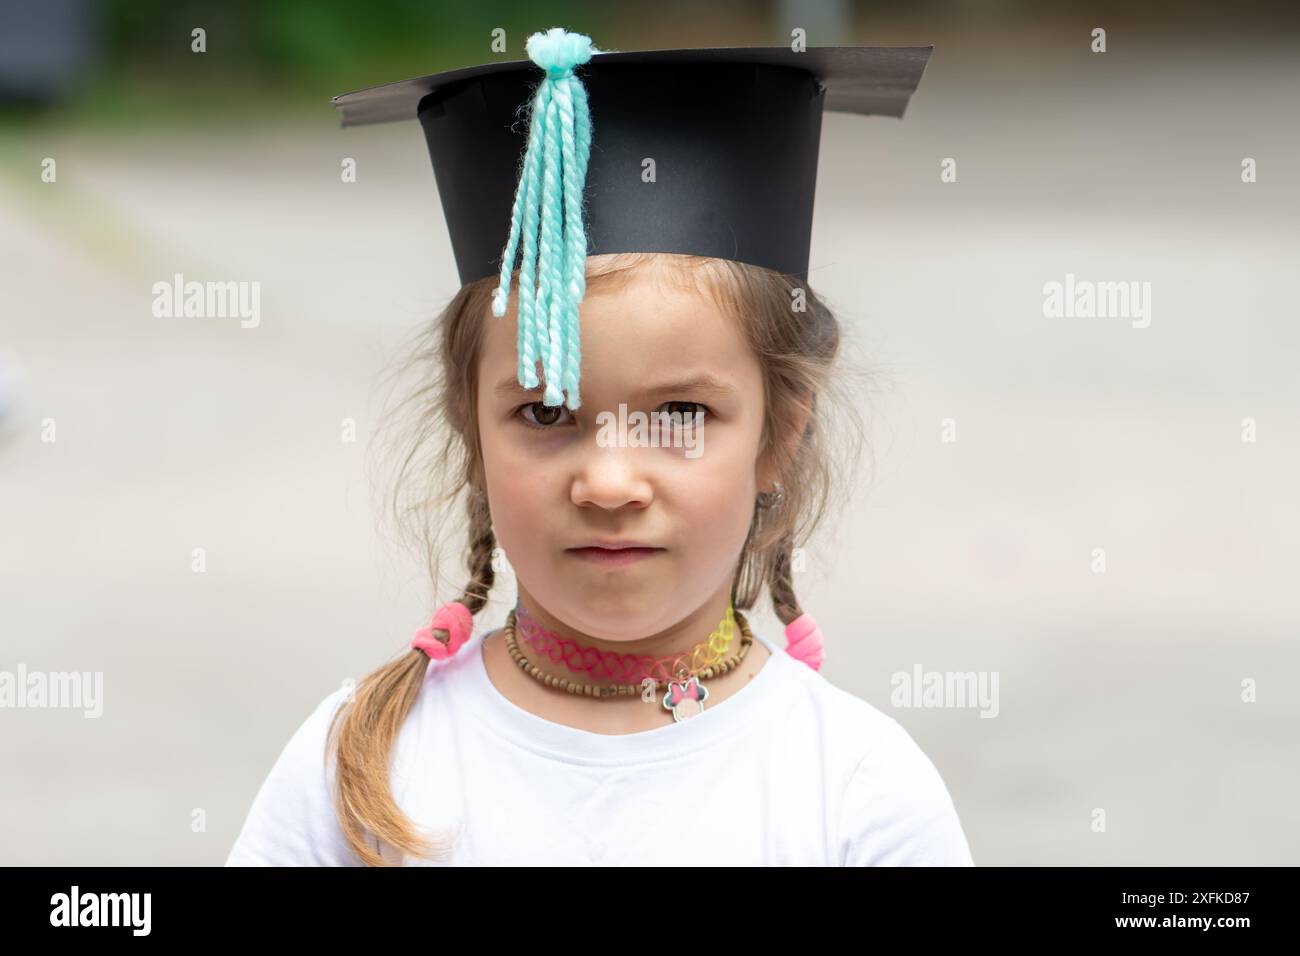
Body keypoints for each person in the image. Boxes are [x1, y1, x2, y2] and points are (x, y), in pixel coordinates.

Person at [226, 27, 972, 866]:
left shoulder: (858, 791)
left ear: (780, 436)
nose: (610, 482)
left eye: (680, 414)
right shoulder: (365, 768)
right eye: (546, 416)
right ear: (471, 434)